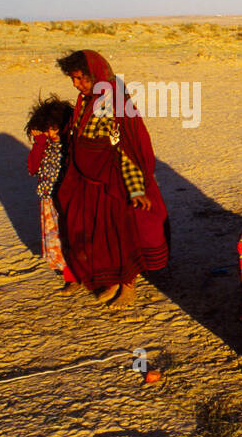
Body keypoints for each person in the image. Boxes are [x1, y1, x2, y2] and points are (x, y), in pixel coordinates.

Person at [55, 50, 168, 308]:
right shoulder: (86, 100)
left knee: (124, 234)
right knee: (98, 234)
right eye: (73, 79)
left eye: (81, 78)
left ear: (96, 75)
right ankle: (112, 281)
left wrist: (137, 190)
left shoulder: (114, 102)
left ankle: (128, 288)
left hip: (114, 181)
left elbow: (125, 149)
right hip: (89, 182)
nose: (76, 84)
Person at [24, 94, 75, 285]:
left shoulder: (71, 145)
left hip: (69, 198)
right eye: (48, 130)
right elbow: (32, 168)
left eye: (55, 129)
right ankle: (69, 276)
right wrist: (38, 143)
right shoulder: (44, 146)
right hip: (48, 200)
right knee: (56, 238)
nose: (52, 134)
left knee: (71, 236)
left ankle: (76, 274)